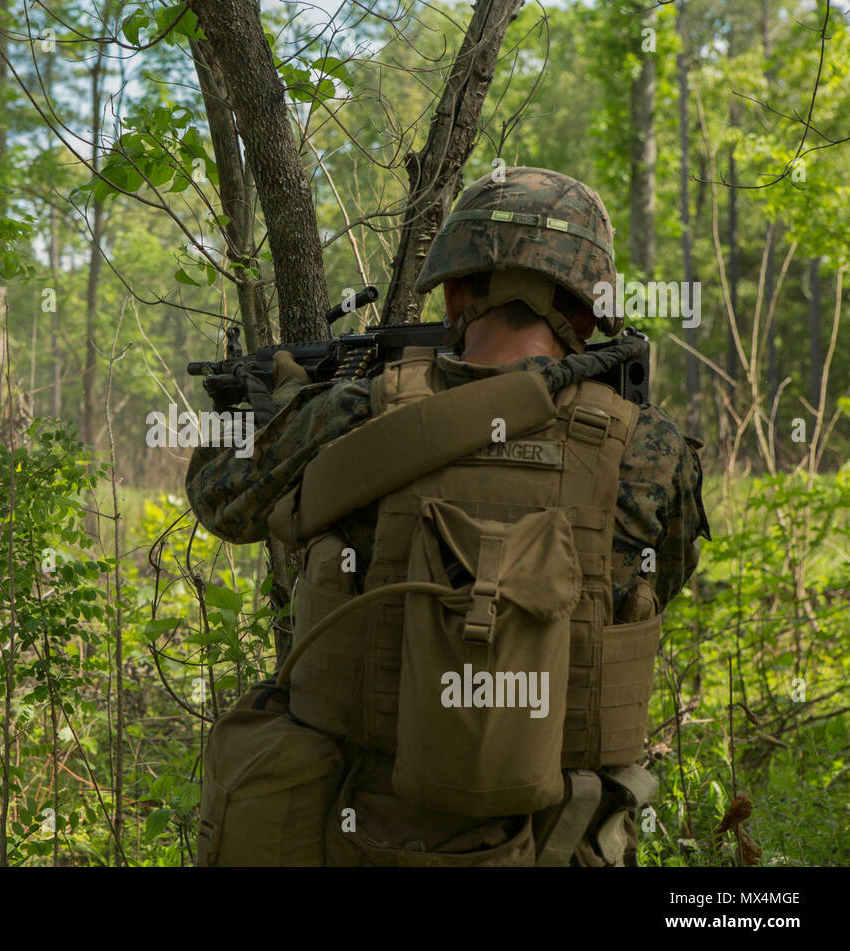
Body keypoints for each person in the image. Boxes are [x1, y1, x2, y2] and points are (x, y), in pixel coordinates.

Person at [188, 167, 710, 867]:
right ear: (588, 315)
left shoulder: (354, 415)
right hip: (562, 834)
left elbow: (221, 498)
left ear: (456, 290)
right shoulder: (652, 448)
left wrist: (274, 409)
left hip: (359, 827)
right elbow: (656, 587)